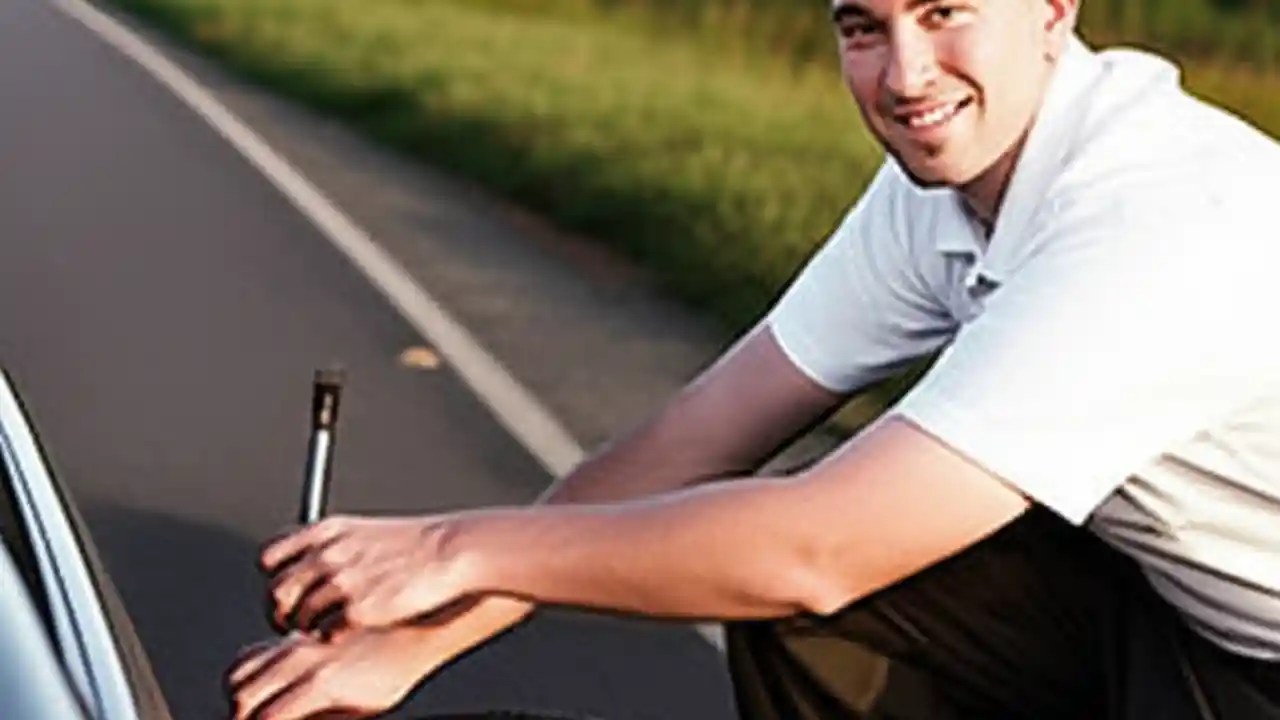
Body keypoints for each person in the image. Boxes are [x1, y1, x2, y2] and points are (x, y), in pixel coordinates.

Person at [225, 0, 1280, 717]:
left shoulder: (1161, 217)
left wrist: (454, 547)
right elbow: (697, 435)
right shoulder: (950, 186)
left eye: (942, 12)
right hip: (1168, 605)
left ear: (1054, 6)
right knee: (815, 609)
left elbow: (818, 551)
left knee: (810, 568)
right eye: (861, 26)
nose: (905, 77)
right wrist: (414, 644)